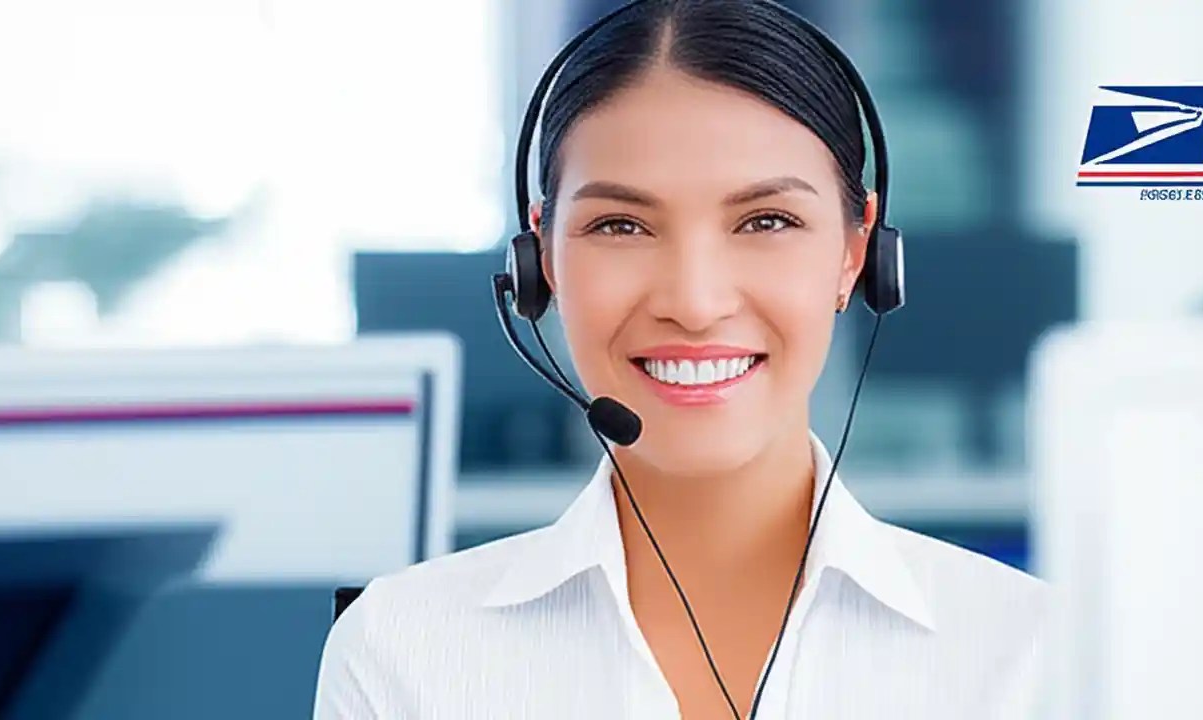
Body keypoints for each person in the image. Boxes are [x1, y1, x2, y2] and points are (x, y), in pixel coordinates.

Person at [313, 1, 1047, 718]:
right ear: (542, 261)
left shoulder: (1025, 654)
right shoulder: (402, 655)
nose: (694, 303)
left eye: (767, 221)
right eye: (621, 225)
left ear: (857, 254)